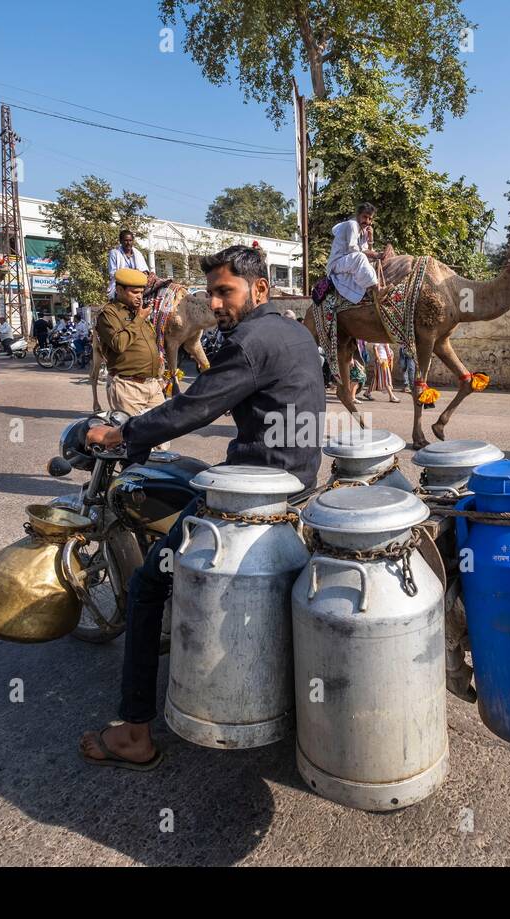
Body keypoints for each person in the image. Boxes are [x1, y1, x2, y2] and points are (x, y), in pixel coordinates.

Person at [78, 244, 323, 771]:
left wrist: (125, 432)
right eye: (210, 292)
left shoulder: (249, 343)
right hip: (299, 480)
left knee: (147, 584)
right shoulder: (294, 331)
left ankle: (134, 733)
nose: (213, 303)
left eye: (224, 291)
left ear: (259, 289)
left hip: (253, 495)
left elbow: (193, 406)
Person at [96, 268, 166, 434]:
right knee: (134, 440)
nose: (139, 296)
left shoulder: (138, 312)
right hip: (128, 387)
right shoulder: (109, 314)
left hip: (153, 385)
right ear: (119, 290)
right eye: (134, 292)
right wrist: (139, 319)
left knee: (162, 435)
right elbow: (119, 344)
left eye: (141, 292)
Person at [327, 201, 386, 307]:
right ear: (358, 215)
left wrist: (370, 239)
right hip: (337, 264)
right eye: (365, 217)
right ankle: (377, 290)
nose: (367, 221)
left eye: (370, 219)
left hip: (348, 262)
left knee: (371, 262)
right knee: (360, 257)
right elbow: (353, 250)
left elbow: (367, 251)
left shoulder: (363, 230)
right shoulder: (352, 225)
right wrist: (377, 254)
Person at [107, 229, 153, 298]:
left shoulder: (138, 254)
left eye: (130, 240)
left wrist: (144, 274)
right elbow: (113, 273)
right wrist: (129, 276)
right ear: (121, 241)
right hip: (121, 284)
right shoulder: (114, 253)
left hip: (138, 283)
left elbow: (145, 271)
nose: (128, 243)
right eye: (126, 240)